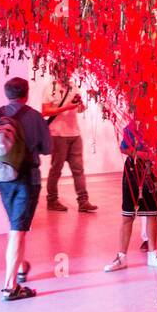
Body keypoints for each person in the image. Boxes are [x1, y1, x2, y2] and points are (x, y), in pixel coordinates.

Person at [0, 77, 52, 301]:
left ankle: (22, 266)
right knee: (18, 229)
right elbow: (47, 148)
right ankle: (10, 286)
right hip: (27, 179)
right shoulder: (34, 116)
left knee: (17, 227)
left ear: (7, 93)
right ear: (26, 94)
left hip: (2, 179)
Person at [106, 121, 157, 271]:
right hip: (132, 171)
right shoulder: (131, 127)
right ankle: (121, 257)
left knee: (151, 214)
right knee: (127, 215)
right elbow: (124, 148)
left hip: (151, 172)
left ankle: (152, 254)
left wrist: (148, 155)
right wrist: (140, 154)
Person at [42, 76, 97, 213]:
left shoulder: (74, 86)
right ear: (57, 70)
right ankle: (52, 201)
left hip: (74, 134)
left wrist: (81, 106)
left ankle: (83, 201)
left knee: (78, 170)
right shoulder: (51, 87)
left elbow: (78, 109)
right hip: (57, 134)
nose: (68, 71)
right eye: (65, 68)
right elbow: (45, 111)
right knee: (56, 169)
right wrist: (66, 107)